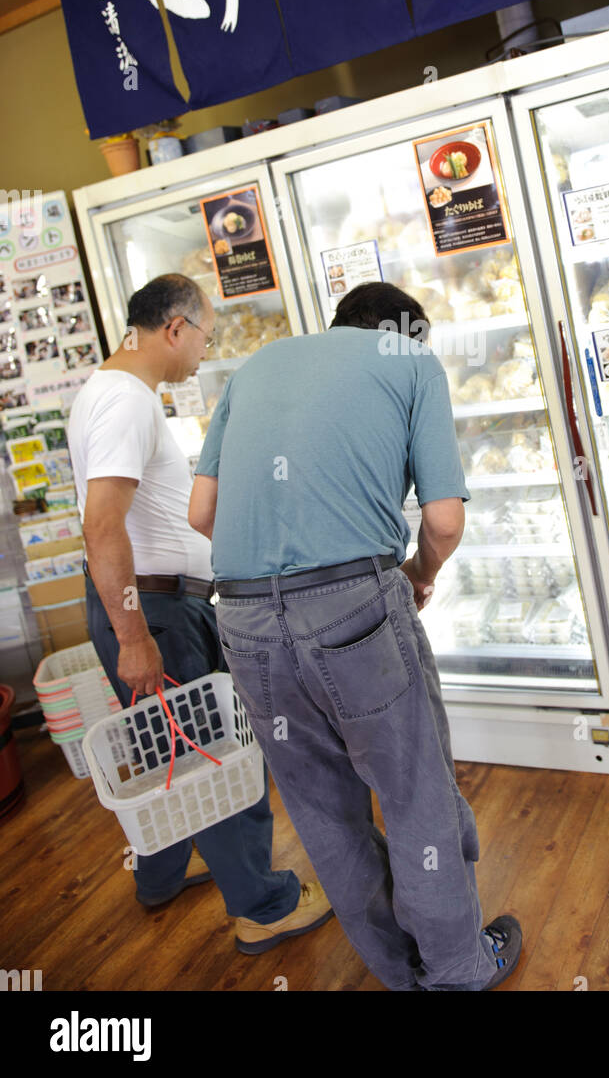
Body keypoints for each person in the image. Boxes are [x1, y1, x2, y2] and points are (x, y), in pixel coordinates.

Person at [188, 281, 521, 991]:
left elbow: (200, 511)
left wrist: (278, 564)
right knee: (414, 794)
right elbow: (444, 522)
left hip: (242, 617)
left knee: (321, 810)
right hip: (353, 609)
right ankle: (459, 969)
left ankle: (400, 973)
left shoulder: (253, 368)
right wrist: (418, 575)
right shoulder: (412, 361)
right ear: (407, 332)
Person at [68, 273, 332, 950]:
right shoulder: (127, 403)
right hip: (154, 611)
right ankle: (263, 907)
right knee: (217, 755)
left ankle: (160, 873)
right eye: (204, 337)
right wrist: (132, 634)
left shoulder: (109, 392)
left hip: (153, 606)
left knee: (165, 751)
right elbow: (102, 525)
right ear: (175, 327)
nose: (202, 354)